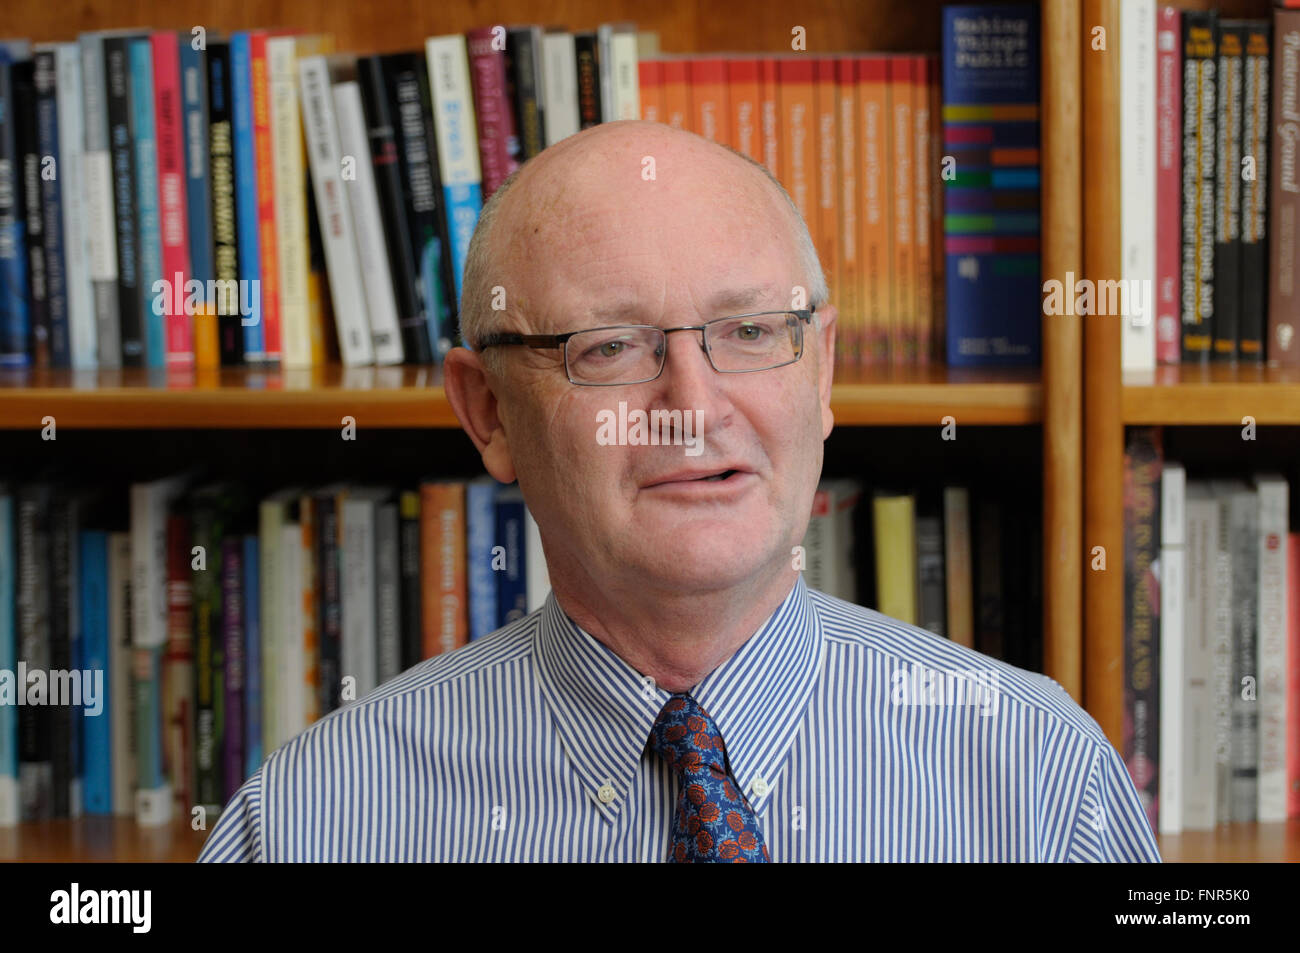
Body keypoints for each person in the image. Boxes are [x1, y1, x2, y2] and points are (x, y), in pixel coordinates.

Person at [198, 120, 1159, 862]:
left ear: (820, 371)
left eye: (747, 332)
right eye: (609, 348)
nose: (693, 409)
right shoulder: (310, 823)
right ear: (488, 411)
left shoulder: (1040, 783)